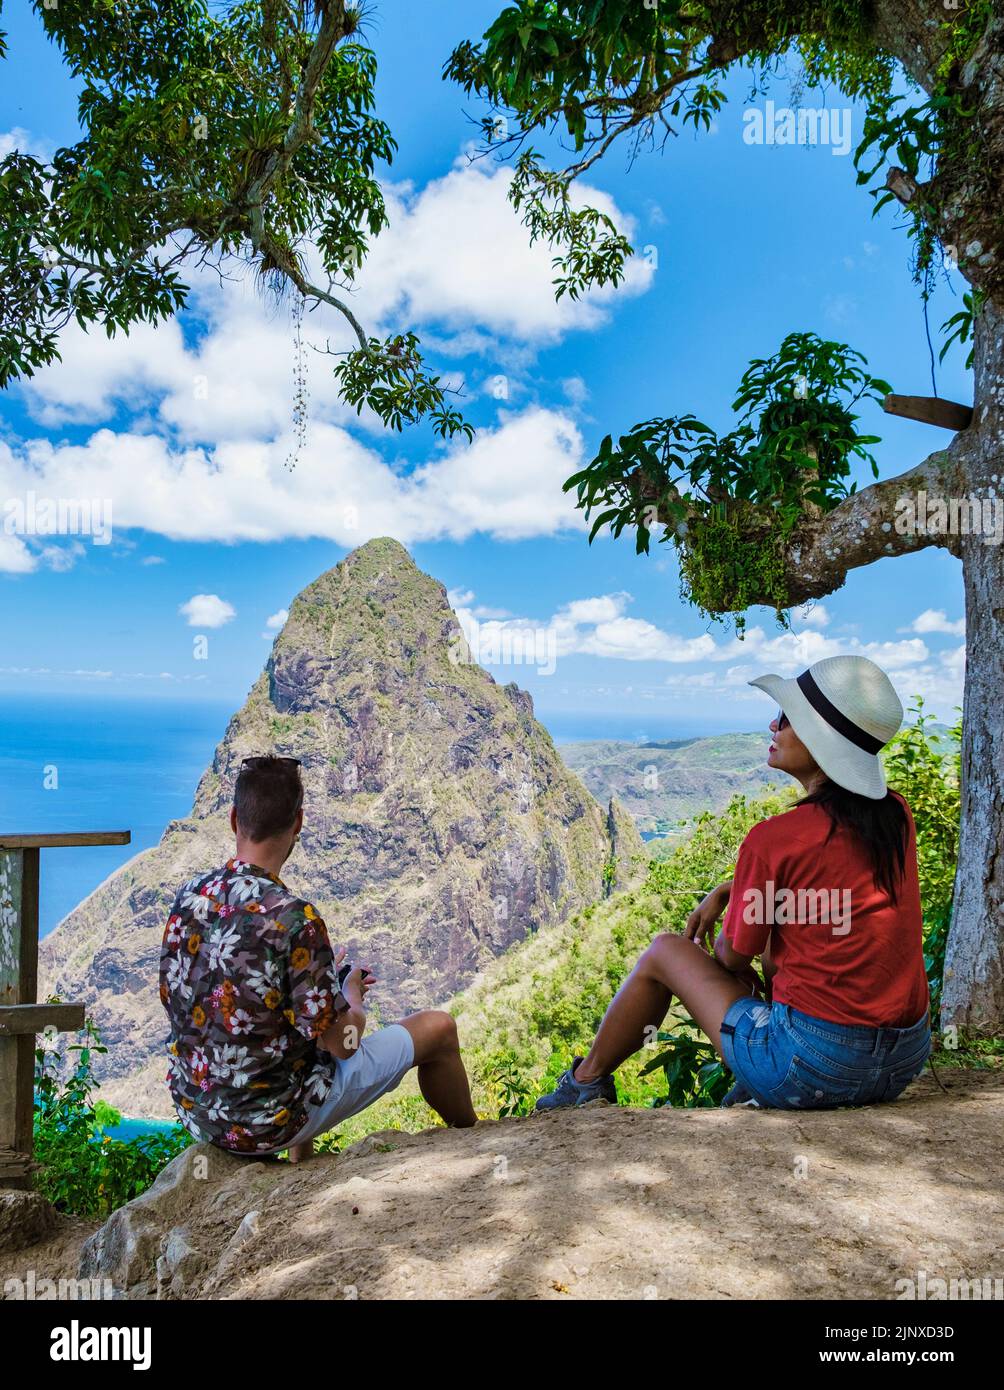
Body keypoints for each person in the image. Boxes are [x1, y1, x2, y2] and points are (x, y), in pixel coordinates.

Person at [535, 654, 932, 1113]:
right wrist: (734, 888)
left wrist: (739, 911)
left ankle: (585, 1082)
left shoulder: (773, 840)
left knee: (665, 950)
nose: (772, 725)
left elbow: (729, 956)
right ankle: (757, 1073)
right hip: (902, 1060)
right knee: (786, 941)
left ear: (817, 737)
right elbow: (825, 887)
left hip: (817, 1067)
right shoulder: (894, 816)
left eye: (785, 718)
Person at [159, 755, 476, 1159]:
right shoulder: (294, 918)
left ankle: (301, 1163)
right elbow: (342, 1044)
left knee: (292, 1023)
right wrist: (351, 995)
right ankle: (474, 1138)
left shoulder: (189, 896)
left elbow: (185, 999)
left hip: (198, 1110)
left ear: (235, 819)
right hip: (268, 1123)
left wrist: (318, 981)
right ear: (298, 823)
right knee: (439, 1029)